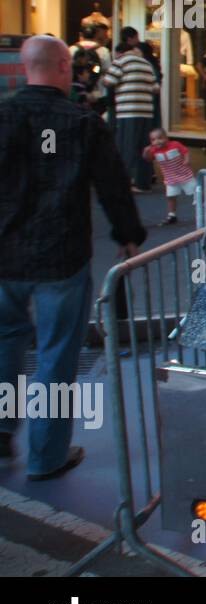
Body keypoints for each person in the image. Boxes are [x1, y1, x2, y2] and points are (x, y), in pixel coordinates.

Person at [0, 36, 146, 479]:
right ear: (64, 64)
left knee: (5, 344)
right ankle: (47, 456)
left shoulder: (4, 114)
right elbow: (113, 184)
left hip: (4, 253)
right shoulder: (82, 121)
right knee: (56, 354)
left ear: (27, 67)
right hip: (61, 254)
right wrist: (128, 234)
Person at [102, 40, 160, 192]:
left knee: (126, 147)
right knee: (144, 147)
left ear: (119, 52)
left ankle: (122, 183)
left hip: (128, 111)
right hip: (146, 111)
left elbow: (109, 82)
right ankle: (143, 183)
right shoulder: (146, 64)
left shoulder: (120, 61)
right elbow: (156, 88)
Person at [142, 128, 197, 225]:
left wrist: (187, 159)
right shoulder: (154, 150)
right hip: (171, 178)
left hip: (185, 175)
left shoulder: (175, 144)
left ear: (166, 138)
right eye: (153, 140)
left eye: (160, 138)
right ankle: (172, 215)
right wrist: (146, 152)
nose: (157, 141)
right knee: (171, 197)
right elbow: (148, 159)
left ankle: (205, 206)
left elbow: (185, 151)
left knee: (195, 192)